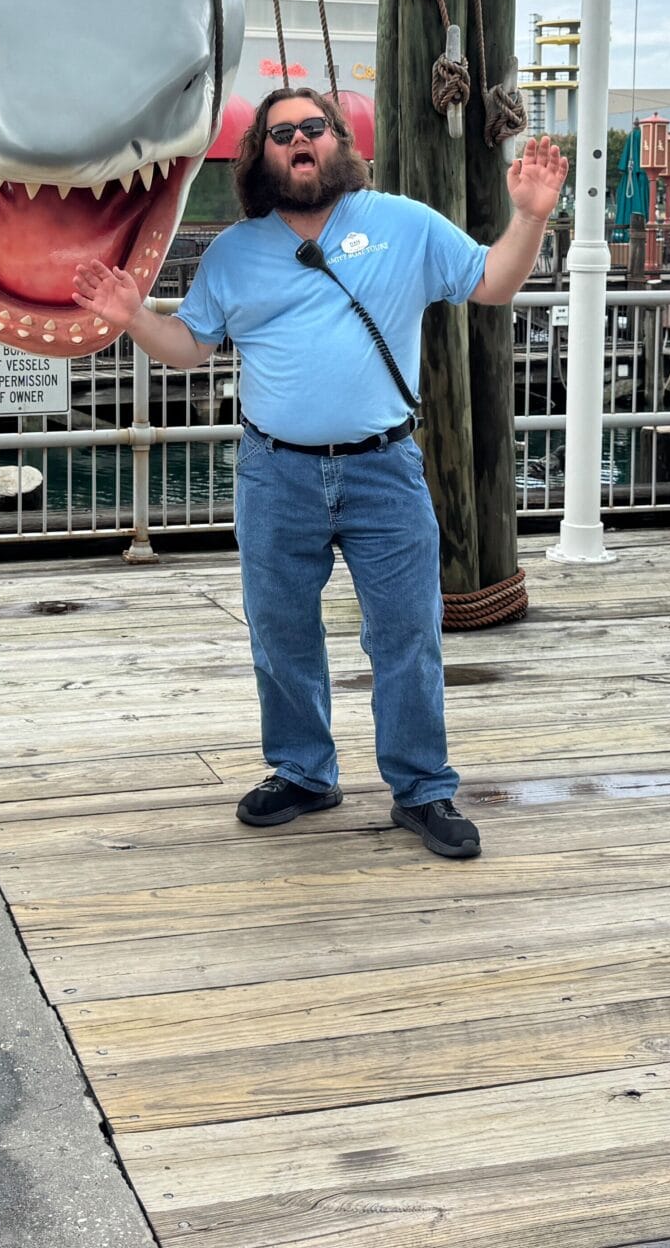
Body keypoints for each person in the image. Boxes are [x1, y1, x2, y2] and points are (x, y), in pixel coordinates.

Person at [72, 87, 569, 860]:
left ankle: (423, 787)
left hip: (385, 469)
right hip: (276, 474)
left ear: (337, 141)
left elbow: (493, 283)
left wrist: (530, 216)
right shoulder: (235, 251)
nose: (300, 139)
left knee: (407, 635)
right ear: (262, 157)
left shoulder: (402, 223)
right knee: (280, 632)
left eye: (313, 126)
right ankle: (303, 771)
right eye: (281, 133)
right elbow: (191, 346)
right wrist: (135, 316)